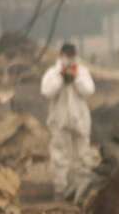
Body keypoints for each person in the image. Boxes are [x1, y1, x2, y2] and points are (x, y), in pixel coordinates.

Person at [40, 42, 95, 201]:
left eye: (71, 56)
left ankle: (82, 192)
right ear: (61, 55)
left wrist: (75, 77)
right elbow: (46, 92)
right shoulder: (52, 73)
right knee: (60, 156)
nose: (69, 59)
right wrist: (60, 78)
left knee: (83, 156)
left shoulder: (82, 71)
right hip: (59, 120)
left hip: (80, 120)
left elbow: (89, 90)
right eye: (66, 55)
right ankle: (60, 191)